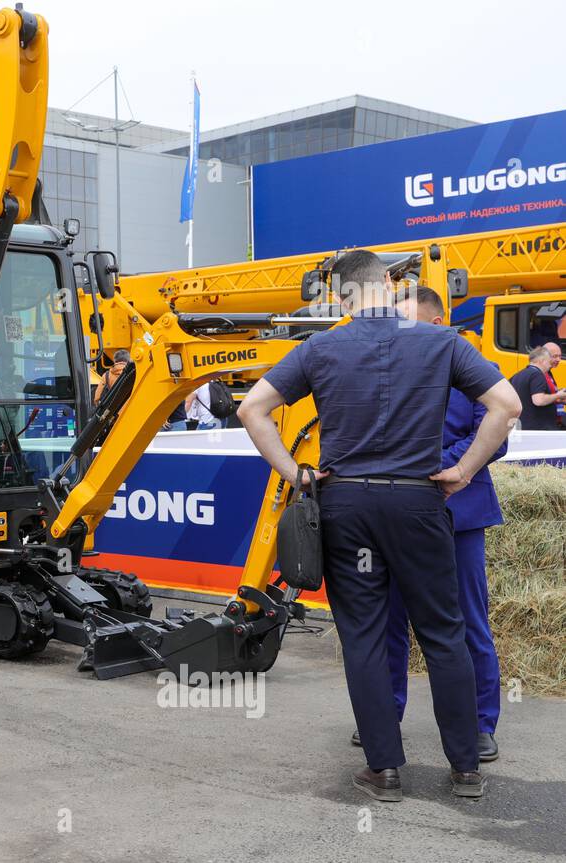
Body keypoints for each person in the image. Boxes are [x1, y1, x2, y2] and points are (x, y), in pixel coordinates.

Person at [237, 250, 521, 803]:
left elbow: (252, 409)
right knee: (444, 633)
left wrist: (296, 473)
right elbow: (506, 405)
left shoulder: (320, 348)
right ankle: (466, 768)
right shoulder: (441, 342)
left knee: (364, 639)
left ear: (340, 294)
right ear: (390, 283)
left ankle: (384, 770)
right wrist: (462, 470)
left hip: (346, 506)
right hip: (419, 502)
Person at [355, 286, 506, 761]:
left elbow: (495, 434)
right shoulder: (390, 371)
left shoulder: (479, 372)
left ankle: (480, 725)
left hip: (457, 517)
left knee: (466, 623)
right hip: (396, 516)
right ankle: (385, 718)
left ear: (439, 325)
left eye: (412, 324)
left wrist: (441, 468)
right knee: (389, 625)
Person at [508, 344, 565, 430]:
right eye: (549, 361)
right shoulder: (537, 375)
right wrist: (558, 395)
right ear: (541, 360)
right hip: (539, 428)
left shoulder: (517, 375)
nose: (550, 365)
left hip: (522, 426)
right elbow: (539, 400)